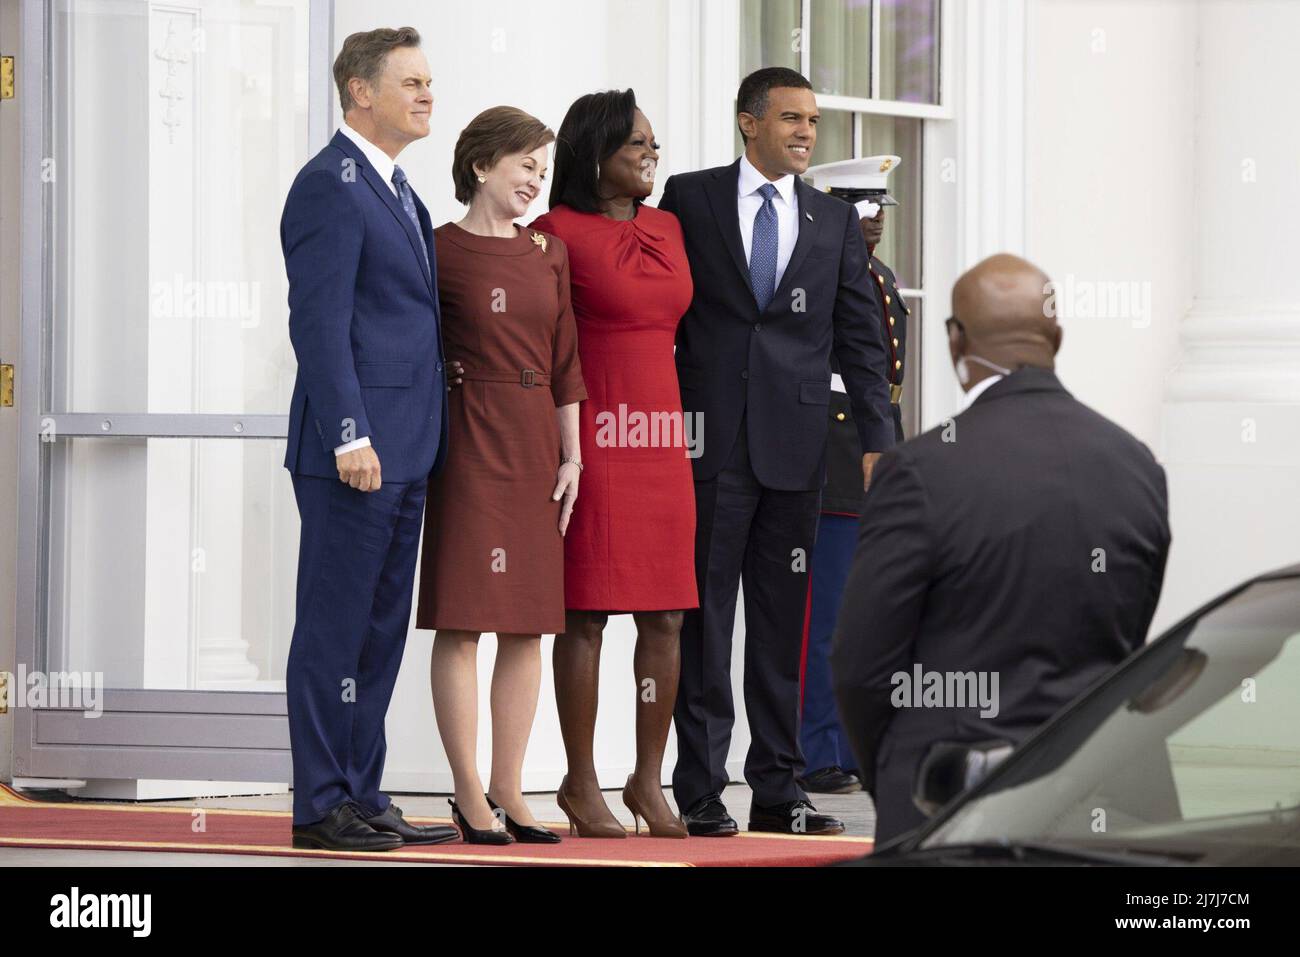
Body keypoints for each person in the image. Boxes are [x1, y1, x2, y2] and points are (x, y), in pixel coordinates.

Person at [831, 253, 1172, 846]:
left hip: (952, 790)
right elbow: (1128, 637)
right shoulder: (1136, 464)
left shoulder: (920, 470)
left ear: (954, 341)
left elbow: (862, 666)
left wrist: (892, 768)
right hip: (1111, 788)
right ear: (1056, 337)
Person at [660, 67, 897, 837]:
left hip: (798, 449)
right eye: (790, 118)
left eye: (813, 122)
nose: (804, 132)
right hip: (708, 444)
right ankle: (697, 786)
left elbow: (862, 339)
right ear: (748, 122)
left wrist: (877, 445)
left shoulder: (832, 222)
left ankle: (778, 788)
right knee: (704, 622)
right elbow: (660, 317)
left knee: (782, 624)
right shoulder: (689, 199)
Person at [281, 27, 457, 851]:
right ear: (360, 91)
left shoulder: (398, 190)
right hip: (352, 452)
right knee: (333, 628)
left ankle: (363, 791)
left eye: (429, 82)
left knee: (379, 631)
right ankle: (321, 806)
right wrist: (350, 431)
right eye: (411, 82)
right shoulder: (330, 185)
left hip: (408, 448)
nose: (427, 94)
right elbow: (320, 326)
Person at [415, 107, 586, 845]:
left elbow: (566, 363)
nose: (534, 179)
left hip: (536, 445)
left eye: (541, 169)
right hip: (467, 440)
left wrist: (573, 455)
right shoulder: (437, 250)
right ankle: (467, 792)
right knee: (461, 620)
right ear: (482, 165)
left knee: (529, 625)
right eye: (525, 164)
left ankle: (511, 789)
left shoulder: (549, 252)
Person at [530, 89, 696, 839]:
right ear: (594, 155)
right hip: (592, 438)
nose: (650, 155)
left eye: (654, 144)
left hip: (660, 440)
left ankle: (646, 778)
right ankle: (580, 779)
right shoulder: (553, 233)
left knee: (666, 614)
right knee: (586, 614)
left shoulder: (668, 227)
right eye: (636, 144)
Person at [797, 155, 911, 795]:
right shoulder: (820, 270)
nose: (873, 222)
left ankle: (852, 743)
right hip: (833, 452)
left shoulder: (882, 276)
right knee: (825, 615)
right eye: (860, 209)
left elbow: (885, 381)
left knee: (866, 615)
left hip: (874, 447)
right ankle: (813, 750)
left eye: (879, 210)